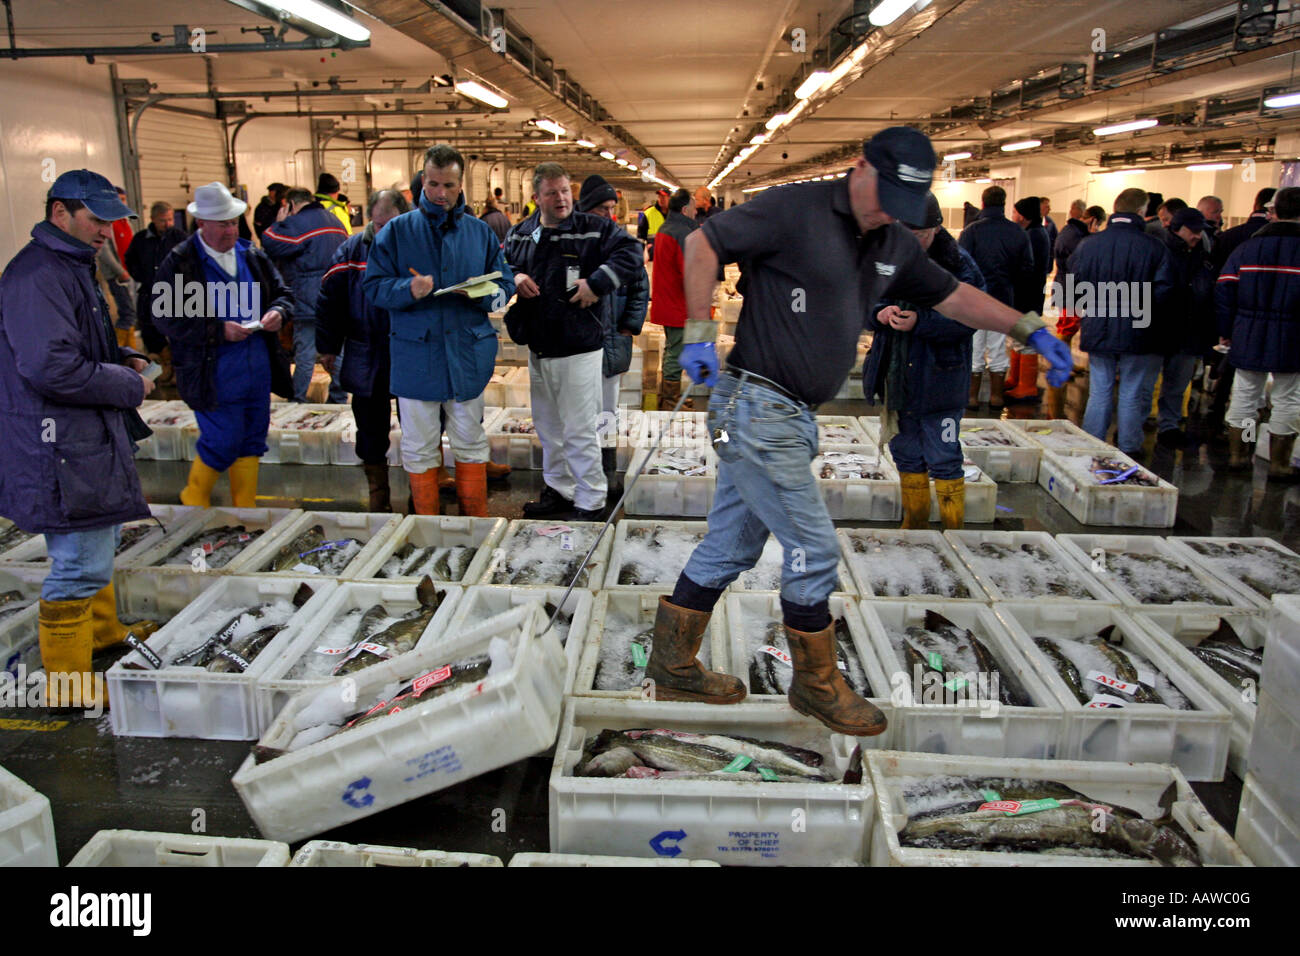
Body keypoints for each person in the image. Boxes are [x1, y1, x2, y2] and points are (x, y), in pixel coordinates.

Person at [646, 127, 1071, 733]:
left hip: (787, 418)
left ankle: (672, 663)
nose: (885, 216)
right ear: (860, 166)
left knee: (731, 545)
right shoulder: (795, 207)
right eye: (882, 199)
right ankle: (816, 686)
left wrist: (1028, 328)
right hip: (754, 410)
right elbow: (704, 244)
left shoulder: (892, 239)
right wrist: (695, 329)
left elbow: (954, 297)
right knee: (813, 549)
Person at [0, 171, 167, 707]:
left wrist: (123, 357)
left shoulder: (71, 265)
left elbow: (78, 345)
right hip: (57, 440)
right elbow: (50, 366)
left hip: (82, 433)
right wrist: (128, 383)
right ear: (60, 213)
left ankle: (100, 634)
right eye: (97, 220)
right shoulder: (37, 275)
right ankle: (65, 685)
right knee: (76, 562)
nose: (107, 232)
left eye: (112, 221)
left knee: (98, 540)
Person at [363, 144, 515, 517]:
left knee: (471, 441)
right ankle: (428, 526)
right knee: (418, 446)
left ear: (461, 184)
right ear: (422, 182)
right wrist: (406, 290)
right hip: (417, 360)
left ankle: (474, 520)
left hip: (467, 357)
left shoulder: (479, 233)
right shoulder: (397, 232)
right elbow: (372, 287)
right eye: (433, 184)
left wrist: (484, 296)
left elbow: (505, 286)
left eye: (449, 185)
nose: (441, 193)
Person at [502, 161, 642, 520]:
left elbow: (631, 254)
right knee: (549, 430)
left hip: (580, 347)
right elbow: (500, 263)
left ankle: (591, 502)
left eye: (565, 191)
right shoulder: (522, 233)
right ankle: (560, 491)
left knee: (580, 431)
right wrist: (515, 276)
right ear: (537, 197)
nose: (561, 198)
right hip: (540, 346)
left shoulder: (593, 228)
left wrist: (597, 283)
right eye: (552, 193)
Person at [153, 183, 294, 509]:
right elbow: (165, 317)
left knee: (252, 440)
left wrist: (279, 311)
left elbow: (283, 293)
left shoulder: (252, 255)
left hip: (256, 369)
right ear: (202, 223)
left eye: (234, 222)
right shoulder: (181, 263)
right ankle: (194, 498)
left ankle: (245, 510)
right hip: (212, 373)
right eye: (223, 223)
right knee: (222, 441)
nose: (231, 229)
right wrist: (217, 331)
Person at [865, 192, 983, 530]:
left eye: (917, 237)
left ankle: (953, 530)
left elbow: (970, 319)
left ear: (935, 229)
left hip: (940, 380)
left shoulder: (960, 266)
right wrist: (879, 312)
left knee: (944, 456)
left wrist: (922, 322)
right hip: (897, 378)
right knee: (905, 451)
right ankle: (914, 523)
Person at [317, 189, 411, 511]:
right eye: (380, 224)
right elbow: (330, 302)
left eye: (393, 225)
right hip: (365, 353)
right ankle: (378, 495)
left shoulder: (417, 247)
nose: (386, 232)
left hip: (410, 352)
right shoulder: (350, 252)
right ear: (371, 219)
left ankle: (423, 496)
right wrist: (327, 347)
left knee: (420, 427)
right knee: (370, 429)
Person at [1072, 187, 1176, 457]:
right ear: (1142, 211)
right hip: (1138, 329)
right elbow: (1165, 291)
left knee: (1100, 389)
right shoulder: (1154, 247)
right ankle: (1129, 447)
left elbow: (1075, 285)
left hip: (1098, 325)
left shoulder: (1088, 244)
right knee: (1131, 390)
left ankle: (1092, 444)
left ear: (1115, 209)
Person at [1217, 186, 1300, 480]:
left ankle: (1239, 458)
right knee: (1288, 398)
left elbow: (1224, 290)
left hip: (1248, 332)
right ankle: (1279, 465)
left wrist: (1226, 331)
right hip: (1293, 337)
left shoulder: (1247, 249)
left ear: (1273, 211)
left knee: (1245, 395)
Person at [576, 174, 648, 498]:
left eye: (611, 208)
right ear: (586, 209)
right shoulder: (571, 242)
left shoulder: (620, 242)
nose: (609, 215)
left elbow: (639, 287)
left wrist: (627, 327)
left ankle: (607, 470)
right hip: (577, 346)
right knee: (580, 412)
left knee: (606, 411)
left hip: (611, 344)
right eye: (602, 208)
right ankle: (584, 474)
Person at [260, 186, 350, 403]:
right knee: (337, 351)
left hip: (309, 299)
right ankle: (339, 397)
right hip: (337, 296)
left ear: (291, 205)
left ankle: (298, 398)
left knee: (306, 353)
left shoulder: (298, 223)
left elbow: (270, 243)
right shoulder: (334, 220)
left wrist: (279, 223)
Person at [960, 185, 1033, 408]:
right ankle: (996, 397)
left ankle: (971, 397)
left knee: (975, 345)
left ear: (982, 203)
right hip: (1003, 298)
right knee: (999, 346)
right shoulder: (1018, 232)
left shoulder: (971, 231)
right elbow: (1027, 268)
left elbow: (958, 264)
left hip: (974, 300)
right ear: (1004, 205)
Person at [1157, 208, 1216, 448]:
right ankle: (1133, 427)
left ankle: (1169, 427)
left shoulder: (1205, 256)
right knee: (1146, 384)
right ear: (1177, 228)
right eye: (1193, 230)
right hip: (1159, 330)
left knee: (1177, 385)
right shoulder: (1160, 252)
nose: (1197, 235)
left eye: (1201, 231)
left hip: (1190, 331)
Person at [124, 201, 187, 384]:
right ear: (152, 219)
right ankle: (156, 376)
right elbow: (130, 260)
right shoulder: (141, 239)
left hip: (176, 295)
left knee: (178, 336)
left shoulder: (180, 238)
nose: (167, 224)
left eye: (170, 219)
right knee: (151, 335)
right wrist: (141, 276)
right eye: (162, 220)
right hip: (149, 295)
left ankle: (179, 374)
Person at [648, 189, 699, 411]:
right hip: (677, 303)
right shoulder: (683, 233)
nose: (696, 212)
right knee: (675, 351)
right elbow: (689, 271)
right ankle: (670, 401)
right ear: (686, 210)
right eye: (694, 208)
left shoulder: (667, 228)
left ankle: (671, 397)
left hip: (668, 300)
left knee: (672, 349)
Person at [1005, 195, 1052, 403]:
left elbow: (1025, 268)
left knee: (1027, 339)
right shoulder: (1034, 233)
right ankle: (1016, 379)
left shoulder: (1033, 236)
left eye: (1015, 212)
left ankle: (1027, 386)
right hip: (1027, 296)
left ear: (1023, 216)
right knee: (1019, 337)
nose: (1013, 215)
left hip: (1028, 297)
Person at [637, 188, 671, 260]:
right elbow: (640, 235)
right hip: (653, 256)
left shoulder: (676, 213)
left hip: (671, 255)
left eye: (663, 197)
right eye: (659, 197)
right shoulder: (648, 213)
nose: (661, 199)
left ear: (669, 198)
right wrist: (642, 250)